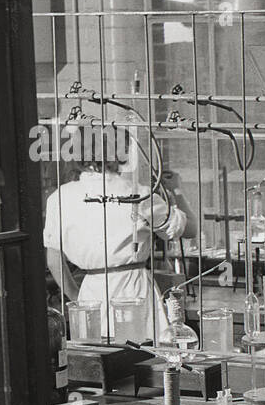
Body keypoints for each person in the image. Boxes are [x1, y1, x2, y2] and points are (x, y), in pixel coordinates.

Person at [44, 144, 195, 343]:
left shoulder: (58, 198)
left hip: (90, 294)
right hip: (134, 289)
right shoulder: (139, 194)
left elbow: (54, 259)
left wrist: (78, 298)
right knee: (144, 359)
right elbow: (190, 229)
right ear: (119, 155)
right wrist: (174, 189)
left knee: (95, 362)